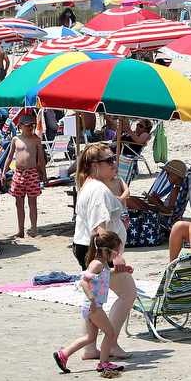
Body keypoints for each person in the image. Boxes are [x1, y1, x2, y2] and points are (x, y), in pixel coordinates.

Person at [72, 143, 135, 360]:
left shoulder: (89, 185)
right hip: (100, 252)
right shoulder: (98, 189)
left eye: (114, 159)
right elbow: (100, 229)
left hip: (85, 247)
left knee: (95, 301)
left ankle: (90, 348)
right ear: (94, 166)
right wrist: (116, 255)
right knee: (128, 293)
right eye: (109, 160)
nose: (114, 163)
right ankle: (113, 343)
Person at [53, 230, 126, 376]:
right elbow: (84, 281)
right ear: (105, 250)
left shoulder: (103, 263)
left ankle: (63, 354)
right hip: (93, 306)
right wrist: (92, 299)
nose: (116, 255)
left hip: (92, 306)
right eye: (115, 252)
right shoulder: (96, 264)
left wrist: (118, 271)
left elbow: (104, 274)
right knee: (110, 332)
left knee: (90, 337)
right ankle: (104, 363)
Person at [9, 111, 45, 238]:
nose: (30, 127)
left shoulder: (36, 140)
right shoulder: (15, 139)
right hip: (18, 173)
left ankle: (34, 229)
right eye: (27, 125)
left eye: (32, 125)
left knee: (32, 202)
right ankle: (20, 230)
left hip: (32, 173)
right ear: (20, 126)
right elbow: (9, 157)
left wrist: (44, 175)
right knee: (19, 203)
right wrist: (3, 173)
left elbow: (41, 158)